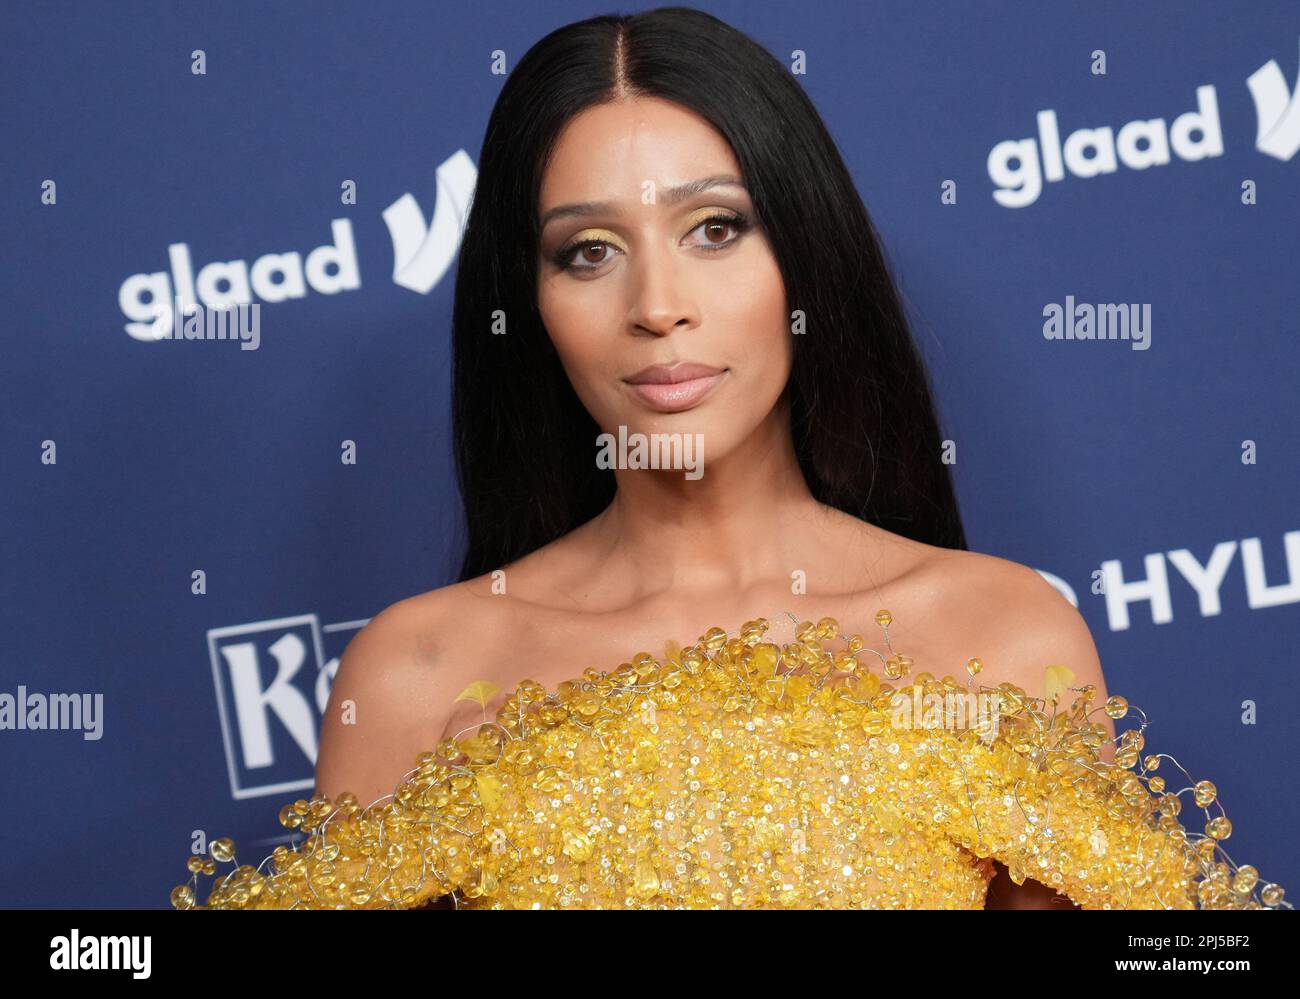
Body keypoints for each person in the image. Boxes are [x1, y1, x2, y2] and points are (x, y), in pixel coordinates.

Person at [170, 6, 1287, 911]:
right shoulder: (415, 672)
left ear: (805, 255)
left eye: (715, 229)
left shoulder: (996, 635)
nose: (658, 307)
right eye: (588, 251)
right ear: (532, 303)